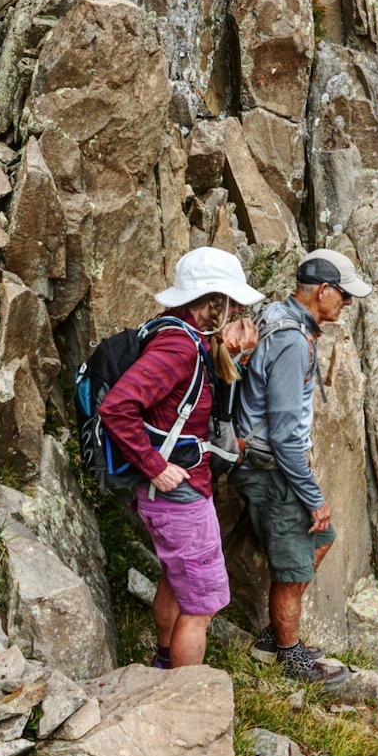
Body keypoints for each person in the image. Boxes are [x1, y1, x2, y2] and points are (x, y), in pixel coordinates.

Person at [99, 247, 263, 668]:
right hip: (179, 496)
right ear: (214, 301)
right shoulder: (178, 346)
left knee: (177, 580)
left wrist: (232, 352)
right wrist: (155, 466)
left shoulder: (179, 331)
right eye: (232, 301)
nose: (239, 309)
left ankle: (163, 663)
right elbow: (117, 407)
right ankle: (184, 694)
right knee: (203, 605)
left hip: (173, 493)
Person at [234, 248, 372, 685]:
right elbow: (283, 434)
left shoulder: (277, 316)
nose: (347, 303)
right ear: (324, 290)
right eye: (344, 295)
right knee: (294, 568)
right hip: (270, 469)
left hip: (265, 463)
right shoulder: (293, 342)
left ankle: (275, 639)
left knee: (320, 541)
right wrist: (314, 499)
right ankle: (288, 657)